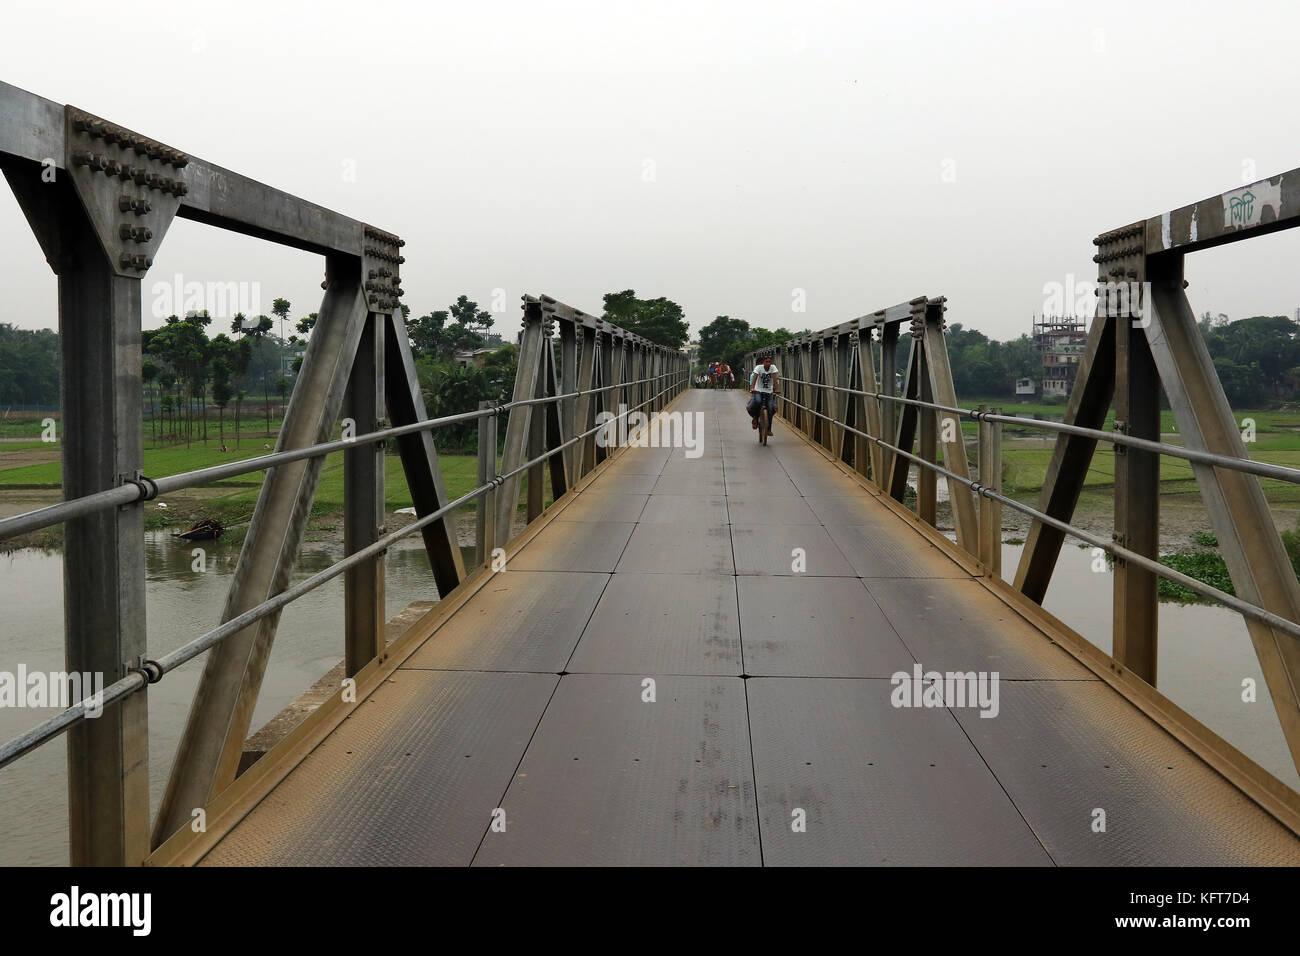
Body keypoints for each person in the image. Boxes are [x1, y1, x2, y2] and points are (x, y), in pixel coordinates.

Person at [749, 353, 780, 434]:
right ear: (763, 362)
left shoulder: (773, 367)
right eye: (766, 361)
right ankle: (755, 417)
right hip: (758, 390)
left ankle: (768, 429)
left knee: (770, 408)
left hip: (768, 391)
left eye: (770, 361)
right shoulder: (758, 367)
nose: (768, 363)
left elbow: (775, 378)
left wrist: (776, 389)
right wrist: (752, 388)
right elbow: (755, 378)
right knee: (758, 402)